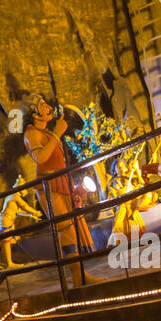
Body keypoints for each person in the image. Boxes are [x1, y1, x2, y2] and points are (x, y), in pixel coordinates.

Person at [24, 96, 98, 288]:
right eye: (43, 106)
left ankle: (81, 275)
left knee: (72, 228)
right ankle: (77, 279)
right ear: (35, 114)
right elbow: (40, 157)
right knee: (65, 230)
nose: (49, 108)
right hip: (50, 185)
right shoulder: (31, 134)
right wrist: (57, 134)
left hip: (62, 181)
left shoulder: (45, 132)